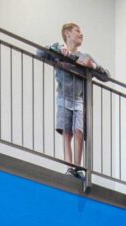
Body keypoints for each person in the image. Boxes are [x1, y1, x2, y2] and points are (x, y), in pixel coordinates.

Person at [43, 22, 109, 179]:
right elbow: (39, 52)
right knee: (67, 133)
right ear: (67, 34)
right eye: (77, 31)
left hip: (79, 100)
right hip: (63, 97)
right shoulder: (59, 51)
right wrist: (58, 49)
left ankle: (79, 167)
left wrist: (91, 65)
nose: (81, 34)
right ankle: (69, 166)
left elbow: (106, 76)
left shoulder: (85, 57)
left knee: (79, 131)